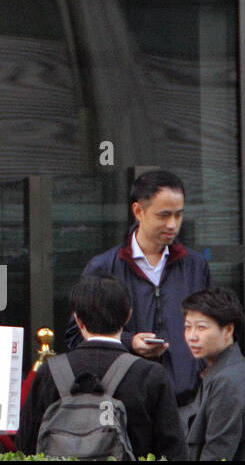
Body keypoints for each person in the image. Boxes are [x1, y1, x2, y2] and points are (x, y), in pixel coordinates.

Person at [65, 170, 210, 420]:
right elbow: (76, 336)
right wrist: (129, 342)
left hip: (187, 405)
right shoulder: (103, 267)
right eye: (164, 215)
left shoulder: (194, 265)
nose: (172, 224)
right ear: (138, 211)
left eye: (179, 215)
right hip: (123, 406)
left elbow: (212, 325)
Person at [19, 275, 186, 460]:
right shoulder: (150, 375)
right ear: (127, 315)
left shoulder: (49, 371)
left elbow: (25, 443)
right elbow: (173, 448)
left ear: (78, 320)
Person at [183, 287, 245, 461]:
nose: (192, 336)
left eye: (201, 328)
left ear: (228, 330)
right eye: (188, 327)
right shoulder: (234, 370)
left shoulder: (228, 380)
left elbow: (217, 452)